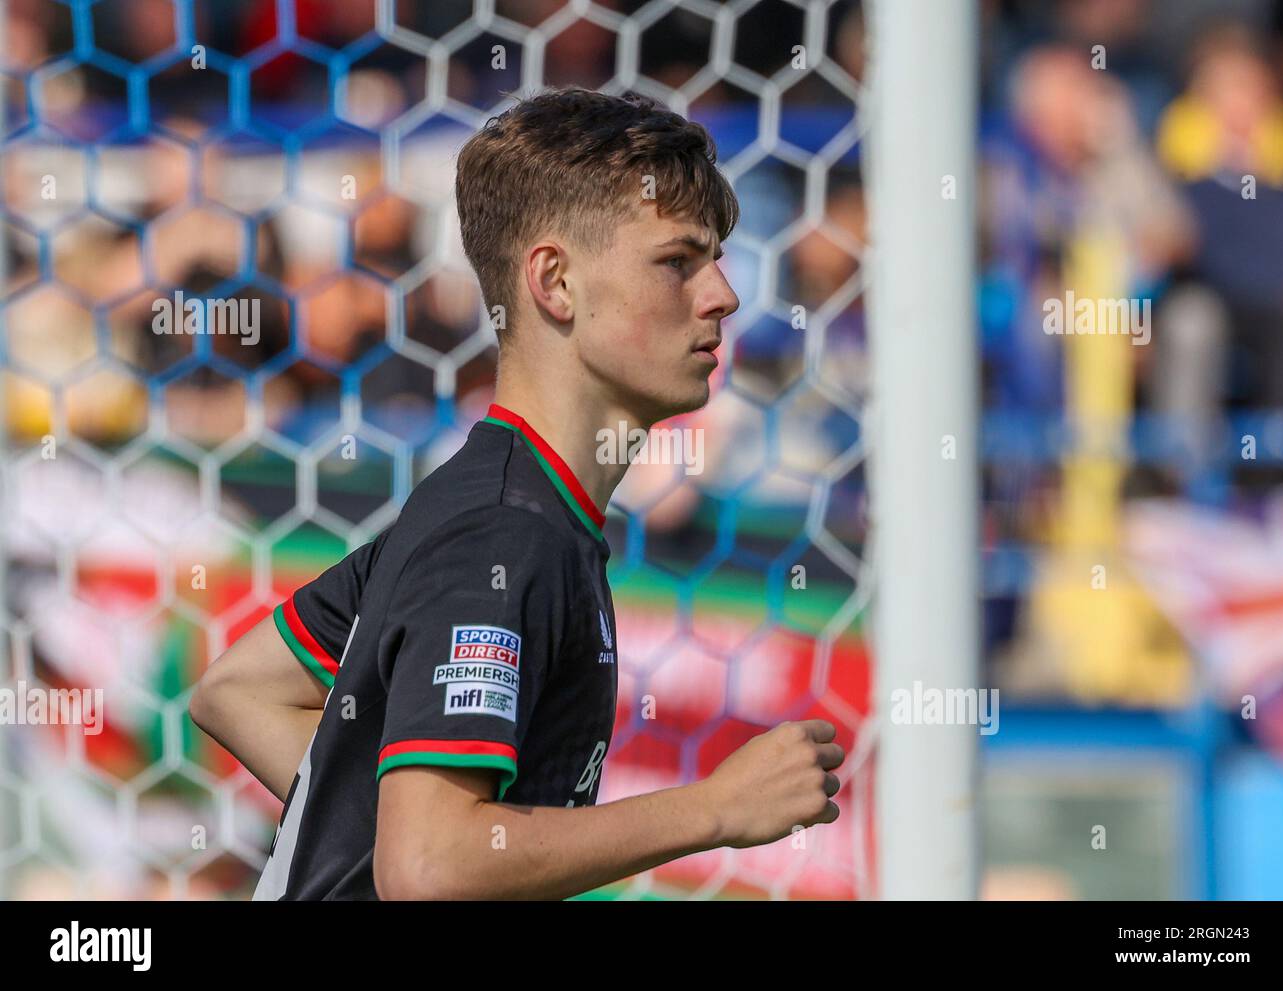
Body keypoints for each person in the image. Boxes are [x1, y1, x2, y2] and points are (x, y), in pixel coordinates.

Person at [190, 86, 844, 900]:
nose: (722, 294)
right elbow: (429, 869)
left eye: (715, 259)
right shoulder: (505, 533)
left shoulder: (488, 507)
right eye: (678, 261)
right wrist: (713, 808)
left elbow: (240, 689)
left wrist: (375, 826)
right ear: (555, 282)